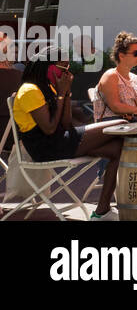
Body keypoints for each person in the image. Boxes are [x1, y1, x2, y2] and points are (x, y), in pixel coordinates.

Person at [12, 49, 123, 219]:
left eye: (68, 68)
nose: (67, 73)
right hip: (46, 148)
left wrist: (66, 93)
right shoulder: (29, 90)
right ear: (48, 67)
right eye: (63, 68)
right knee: (120, 124)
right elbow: (49, 129)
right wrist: (61, 94)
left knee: (116, 148)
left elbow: (65, 123)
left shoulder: (49, 87)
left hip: (60, 140)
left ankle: (102, 211)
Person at [94, 31, 137, 121]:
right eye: (135, 53)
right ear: (122, 56)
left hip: (130, 123)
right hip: (110, 125)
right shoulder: (111, 76)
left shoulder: (136, 79)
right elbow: (116, 106)